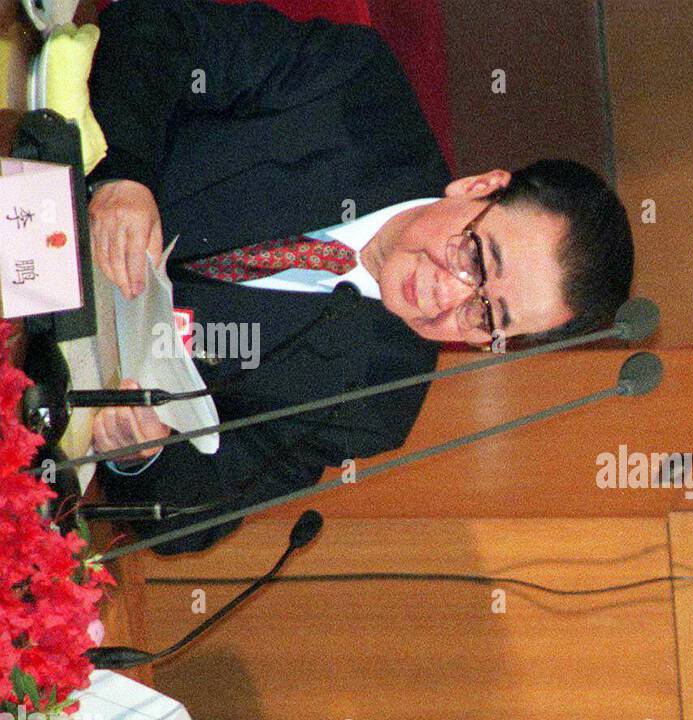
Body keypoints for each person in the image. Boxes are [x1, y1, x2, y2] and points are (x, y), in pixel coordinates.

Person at [83, 0, 634, 553]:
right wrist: (125, 173)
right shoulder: (356, 92)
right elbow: (157, 28)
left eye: (486, 315)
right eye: (477, 258)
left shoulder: (376, 399)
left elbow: (192, 517)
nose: (449, 294)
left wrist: (143, 453)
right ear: (478, 188)